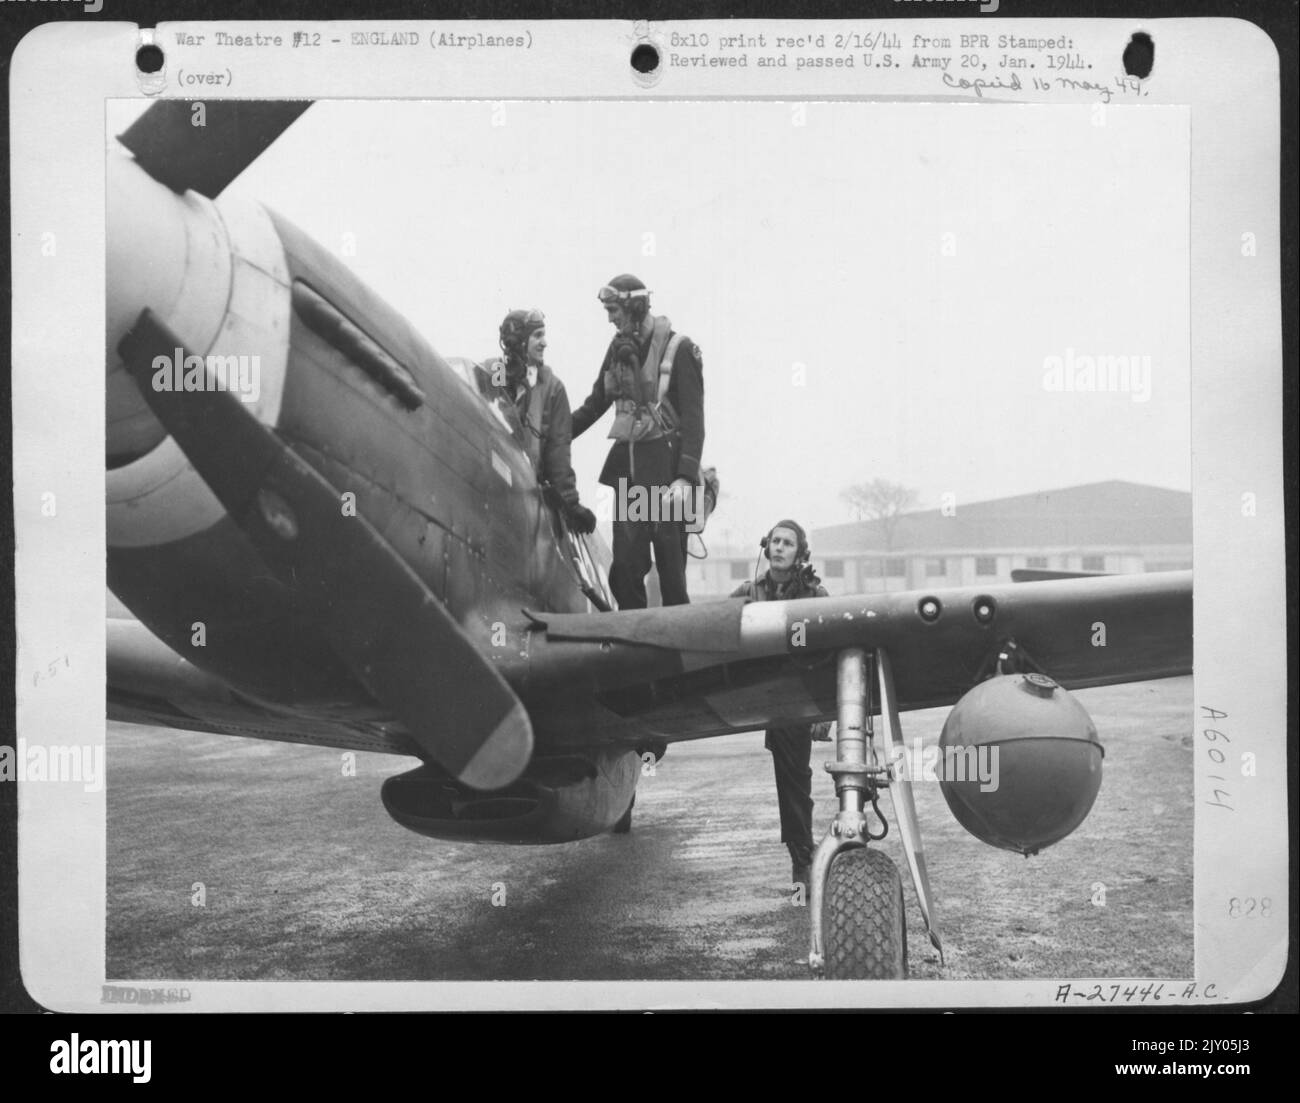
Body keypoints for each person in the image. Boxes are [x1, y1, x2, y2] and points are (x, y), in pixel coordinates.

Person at [570, 274, 704, 608]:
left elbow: (695, 419)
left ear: (633, 305)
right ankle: (637, 649)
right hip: (631, 473)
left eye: (614, 309)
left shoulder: (680, 349)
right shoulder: (617, 349)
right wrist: (554, 440)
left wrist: (686, 476)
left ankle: (677, 653)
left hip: (670, 477)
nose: (611, 318)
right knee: (625, 571)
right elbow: (595, 404)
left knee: (673, 579)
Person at [731, 519, 832, 889]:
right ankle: (803, 851)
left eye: (788, 543)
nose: (779, 548)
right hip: (765, 694)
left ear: (799, 553)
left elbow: (831, 655)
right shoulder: (748, 592)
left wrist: (826, 713)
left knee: (794, 781)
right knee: (791, 780)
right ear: (766, 545)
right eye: (774, 541)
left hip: (799, 700)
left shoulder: (815, 596)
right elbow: (721, 628)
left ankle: (802, 858)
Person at [487, 309, 596, 534]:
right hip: (493, 480)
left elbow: (559, 451)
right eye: (537, 336)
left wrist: (570, 502)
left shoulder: (551, 387)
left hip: (526, 492)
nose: (544, 343)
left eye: (543, 335)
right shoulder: (495, 372)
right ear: (518, 341)